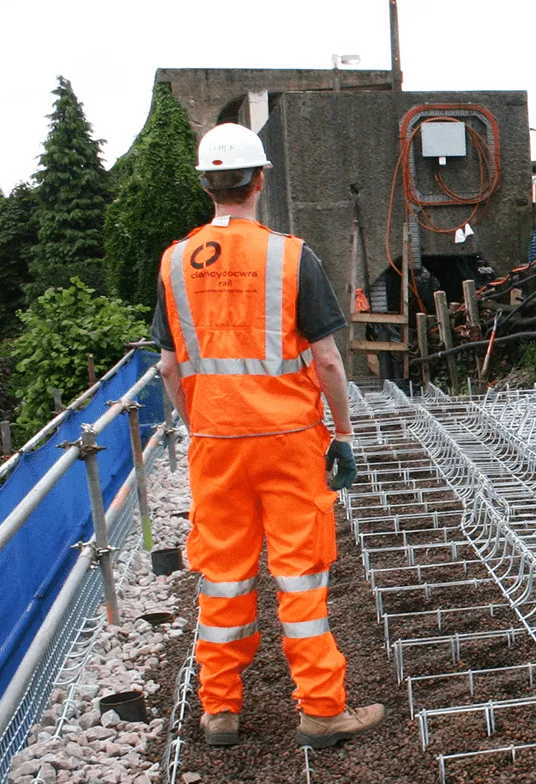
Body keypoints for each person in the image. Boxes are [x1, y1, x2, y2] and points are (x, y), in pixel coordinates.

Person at [152, 122, 383, 749]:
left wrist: (198, 422)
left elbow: (170, 366)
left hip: (215, 442)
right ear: (259, 180)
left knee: (223, 575)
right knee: (300, 573)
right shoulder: (289, 256)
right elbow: (329, 361)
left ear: (207, 185)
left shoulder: (175, 263)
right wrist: (345, 434)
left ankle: (220, 709)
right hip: (289, 440)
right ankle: (320, 710)